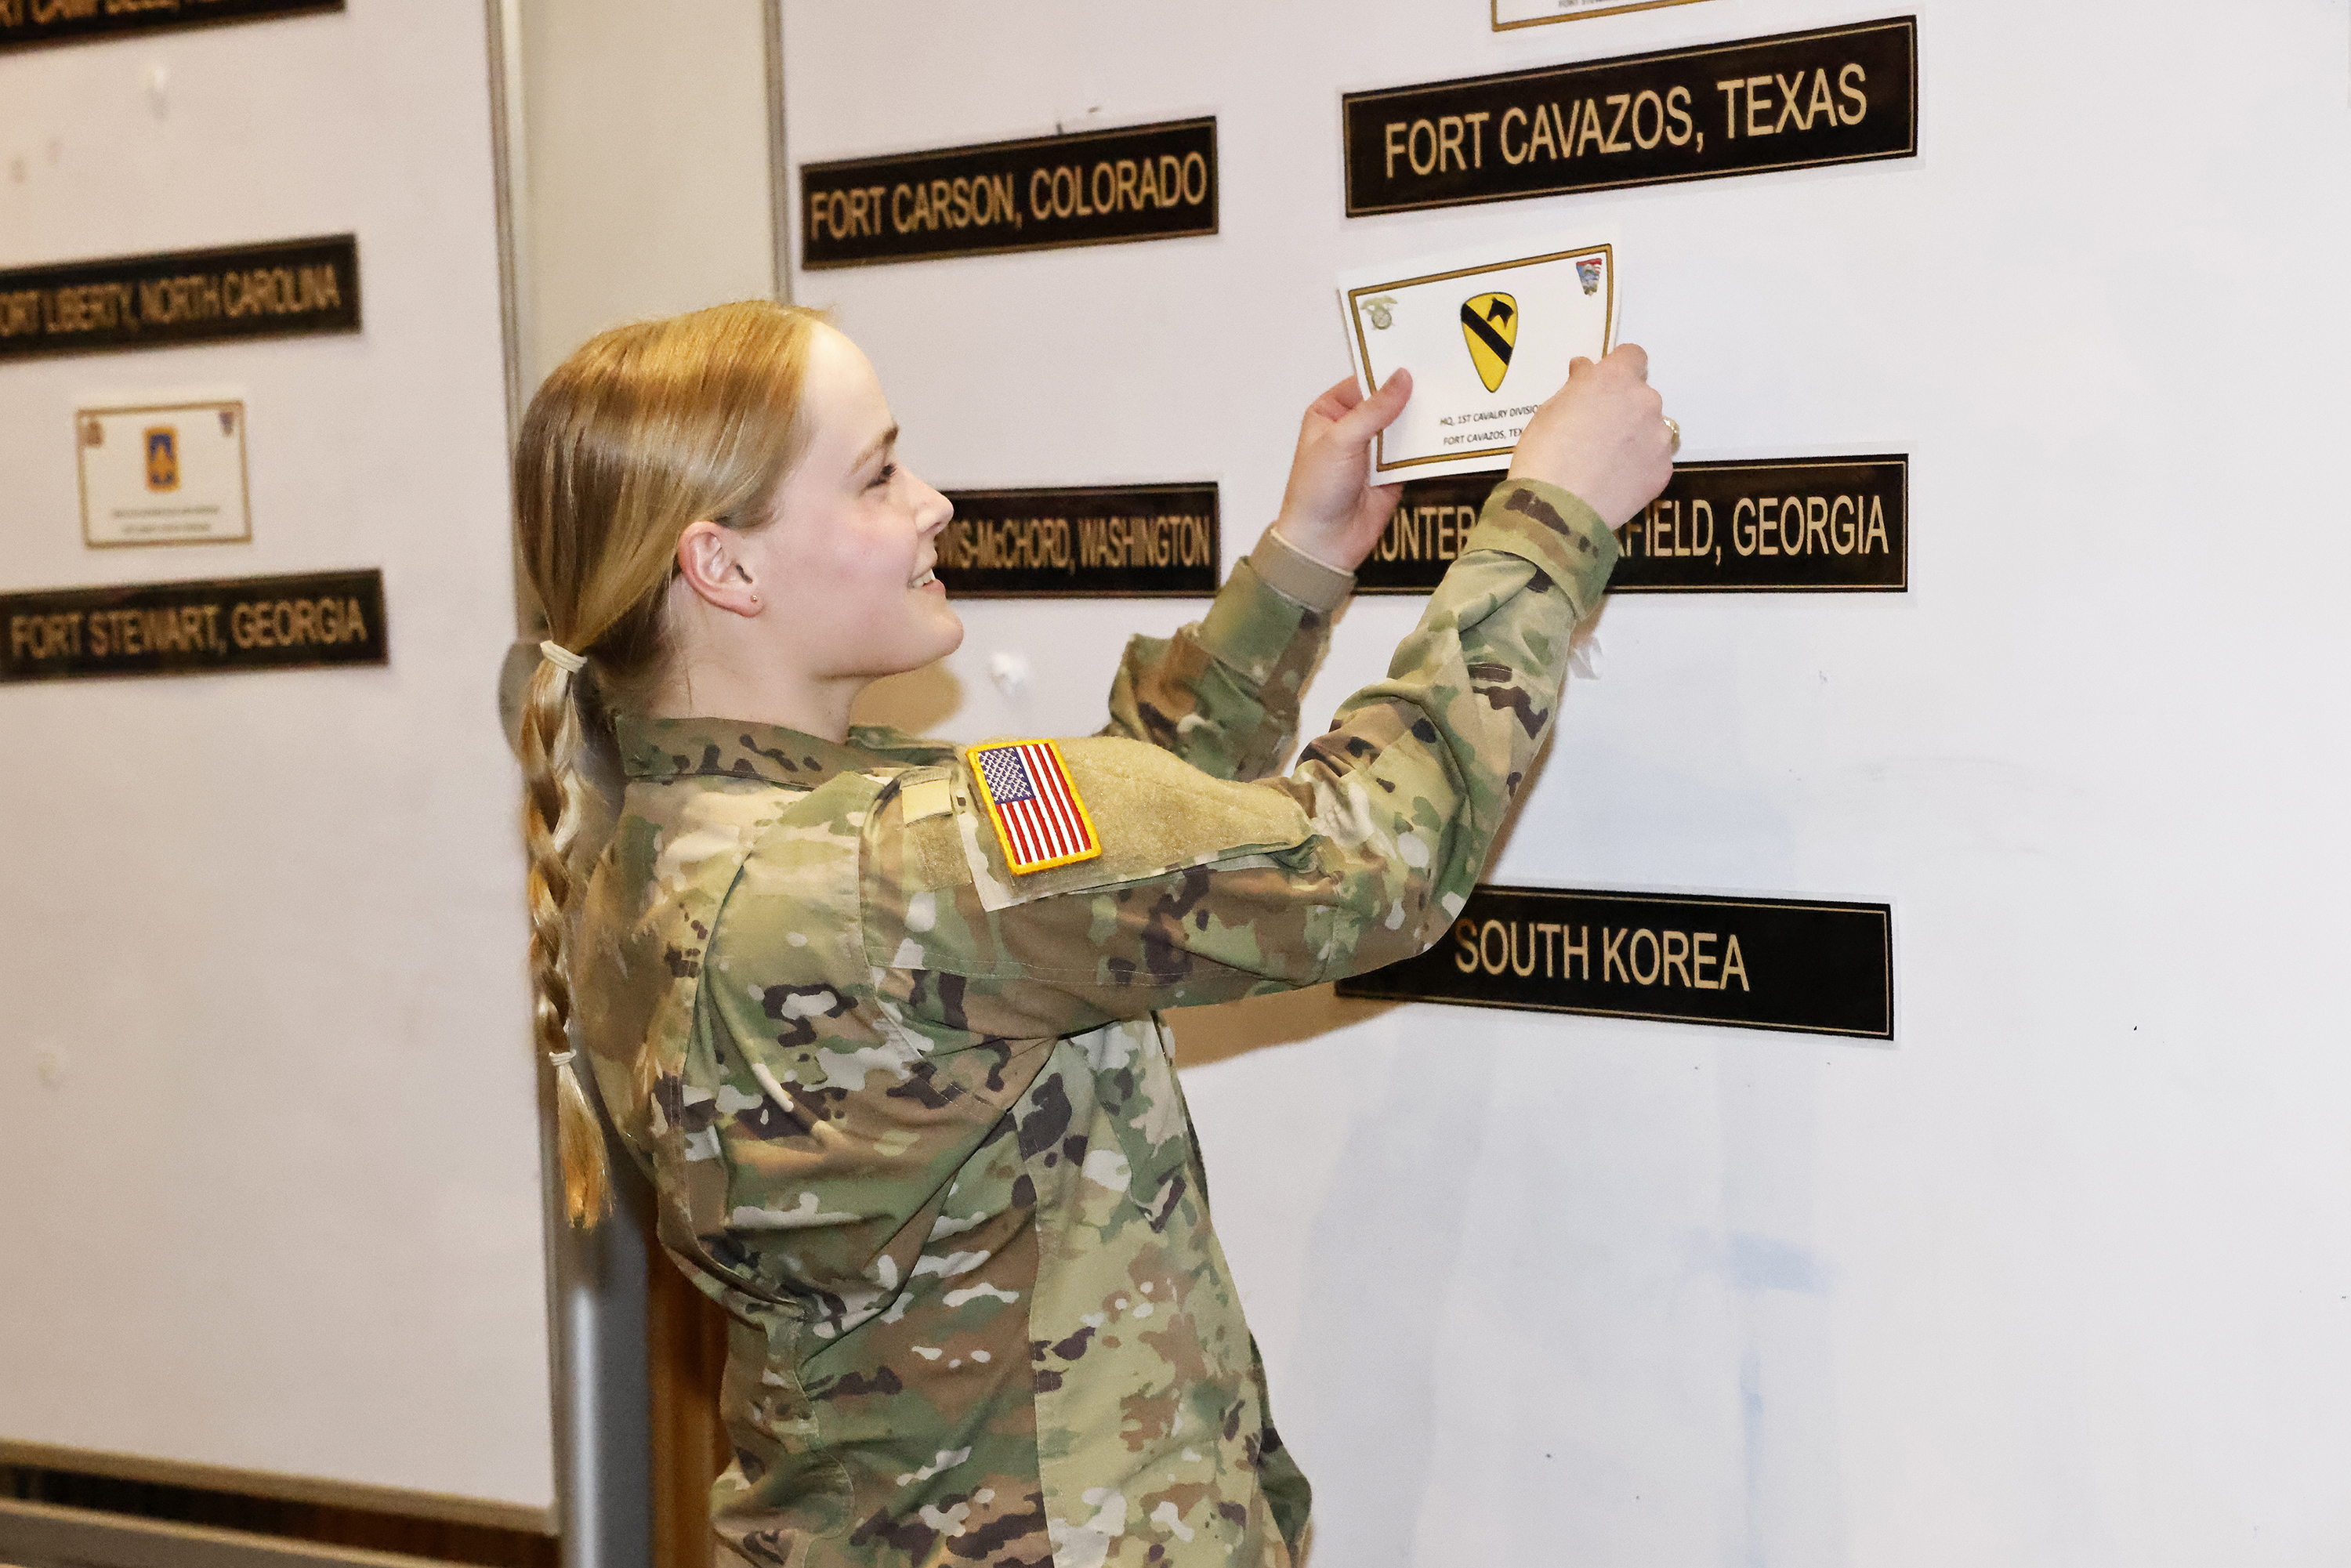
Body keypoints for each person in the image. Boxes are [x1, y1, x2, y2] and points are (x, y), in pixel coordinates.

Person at [513, 299, 1672, 1567]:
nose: (931, 500)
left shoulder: (673, 841)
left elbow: (1103, 868)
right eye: (877, 474)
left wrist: (1300, 564)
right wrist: (1550, 522)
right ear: (723, 566)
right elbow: (1362, 861)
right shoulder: (878, 867)